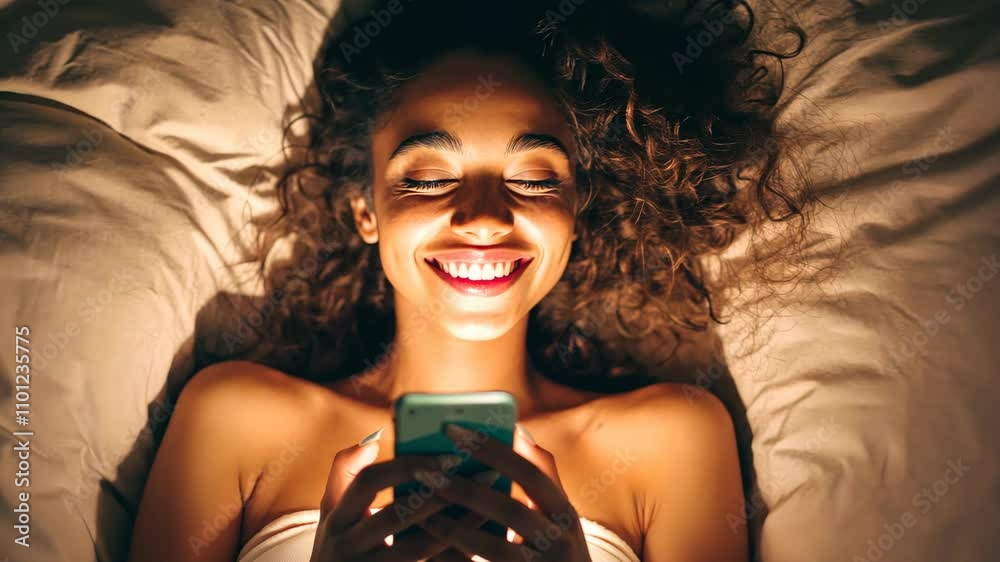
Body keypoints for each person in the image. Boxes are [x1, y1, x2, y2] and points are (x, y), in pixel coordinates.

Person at [128, 1, 805, 560]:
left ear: (575, 212)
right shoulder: (234, 421)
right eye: (428, 178)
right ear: (367, 209)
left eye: (533, 179)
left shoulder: (674, 442)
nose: (484, 217)